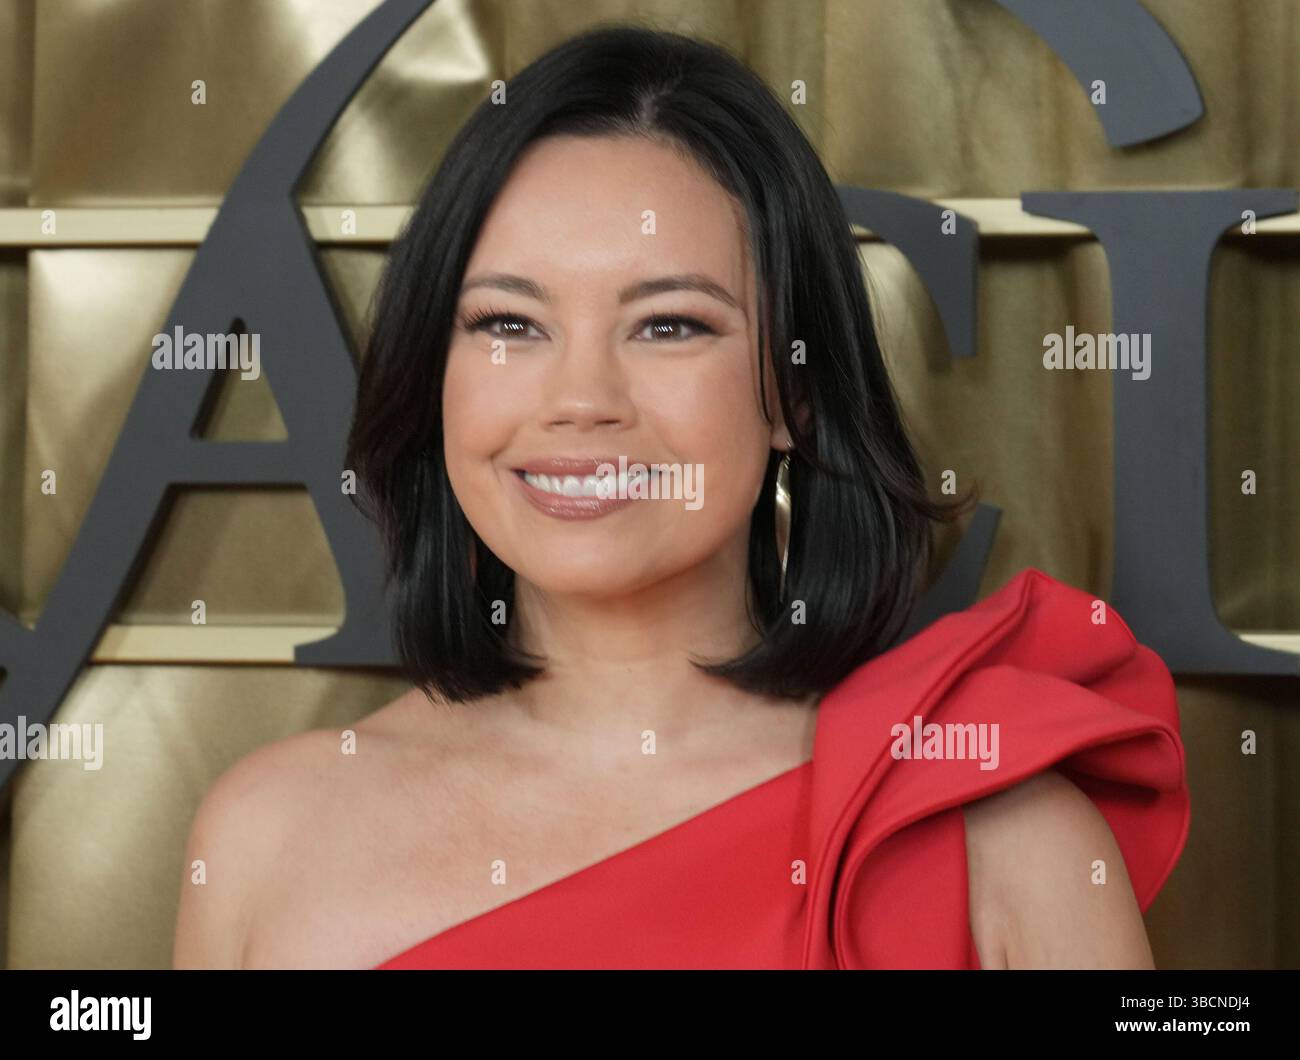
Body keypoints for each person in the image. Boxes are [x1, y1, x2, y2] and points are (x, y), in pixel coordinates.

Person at [172, 24, 1189, 970]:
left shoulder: (996, 829)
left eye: (668, 326)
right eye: (509, 326)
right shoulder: (266, 831)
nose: (580, 401)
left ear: (792, 391)